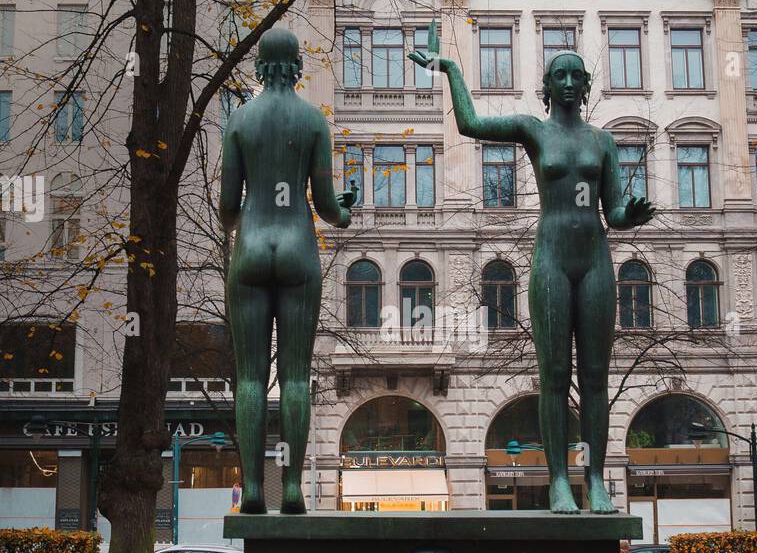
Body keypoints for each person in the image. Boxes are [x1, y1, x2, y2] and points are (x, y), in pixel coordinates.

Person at [409, 29, 654, 512]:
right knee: (555, 372)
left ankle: (598, 479)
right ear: (547, 85)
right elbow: (471, 124)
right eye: (558, 75)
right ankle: (560, 480)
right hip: (550, 263)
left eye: (575, 76)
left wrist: (633, 214)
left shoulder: (603, 142)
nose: (567, 82)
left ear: (586, 86)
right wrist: (452, 71)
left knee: (598, 374)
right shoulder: (533, 130)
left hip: (596, 261)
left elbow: (615, 212)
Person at [220, 29, 355, 512]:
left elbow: (226, 204)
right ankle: (293, 486)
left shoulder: (240, 120)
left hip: (252, 247)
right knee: (295, 376)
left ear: (259, 66)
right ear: (297, 67)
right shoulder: (313, 120)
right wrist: (345, 210)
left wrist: (240, 226)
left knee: (251, 378)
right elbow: (325, 206)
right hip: (298, 249)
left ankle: (254, 488)